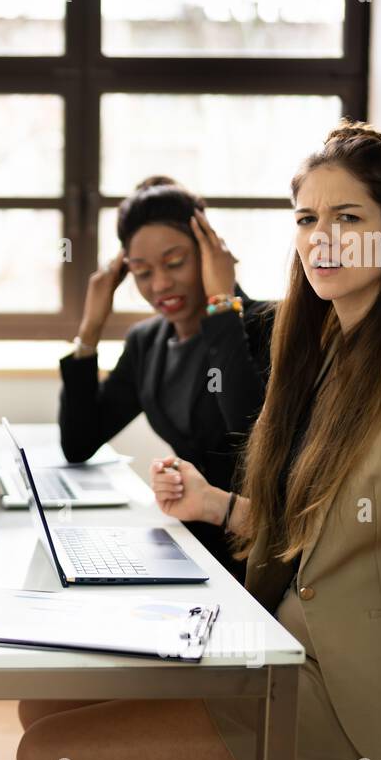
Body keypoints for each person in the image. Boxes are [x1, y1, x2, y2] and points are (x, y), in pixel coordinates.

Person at [16, 121, 381, 760]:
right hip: (284, 640)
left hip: (373, 691)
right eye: (308, 219)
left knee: (49, 759)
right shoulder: (322, 350)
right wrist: (216, 505)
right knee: (43, 705)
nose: (322, 238)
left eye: (348, 218)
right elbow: (322, 535)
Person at [59, 176, 274, 579]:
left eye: (175, 263)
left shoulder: (269, 326)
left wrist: (222, 306)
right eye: (141, 272)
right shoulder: (148, 342)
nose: (159, 285)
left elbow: (252, 438)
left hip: (258, 555)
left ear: (210, 253)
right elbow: (79, 443)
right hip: (183, 548)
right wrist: (90, 330)